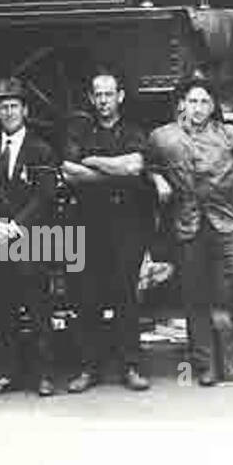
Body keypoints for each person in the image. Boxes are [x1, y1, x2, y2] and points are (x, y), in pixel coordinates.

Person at [146, 74, 233, 386]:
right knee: (195, 296)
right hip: (188, 222)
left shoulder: (229, 135)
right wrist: (158, 180)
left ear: (213, 107)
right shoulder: (163, 137)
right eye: (192, 100)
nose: (197, 107)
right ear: (182, 104)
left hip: (227, 217)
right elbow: (148, 162)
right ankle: (204, 364)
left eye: (204, 101)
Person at [61, 67, 152, 393]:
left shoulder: (133, 131)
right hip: (88, 224)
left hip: (126, 224)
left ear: (120, 97)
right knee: (88, 297)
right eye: (98, 95)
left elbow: (135, 166)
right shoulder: (79, 132)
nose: (103, 101)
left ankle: (131, 367)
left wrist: (94, 161)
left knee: (125, 295)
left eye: (108, 94)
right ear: (91, 98)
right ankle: (89, 368)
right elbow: (70, 172)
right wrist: (114, 170)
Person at [0, 77, 59, 397]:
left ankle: (45, 375)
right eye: (3, 107)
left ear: (25, 110)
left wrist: (17, 225)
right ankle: (7, 373)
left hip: (32, 236)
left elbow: (45, 196)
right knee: (3, 308)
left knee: (38, 307)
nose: (9, 112)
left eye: (14, 106)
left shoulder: (41, 149)